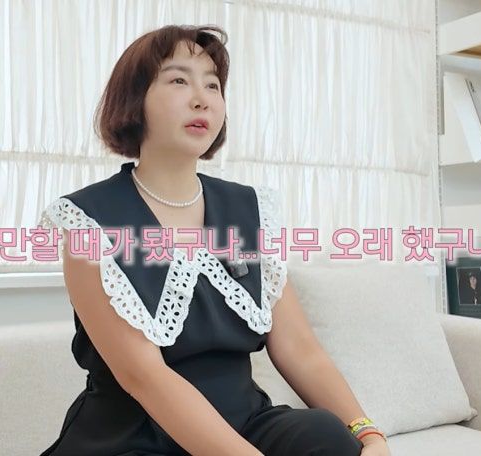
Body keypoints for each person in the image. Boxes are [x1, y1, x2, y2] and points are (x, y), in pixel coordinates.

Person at [39, 24, 390, 456]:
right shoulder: (87, 220)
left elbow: (300, 349)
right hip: (137, 436)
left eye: (212, 85)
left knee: (324, 435)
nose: (202, 98)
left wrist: (368, 433)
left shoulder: (249, 210)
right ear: (135, 99)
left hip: (243, 423)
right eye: (178, 80)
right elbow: (144, 377)